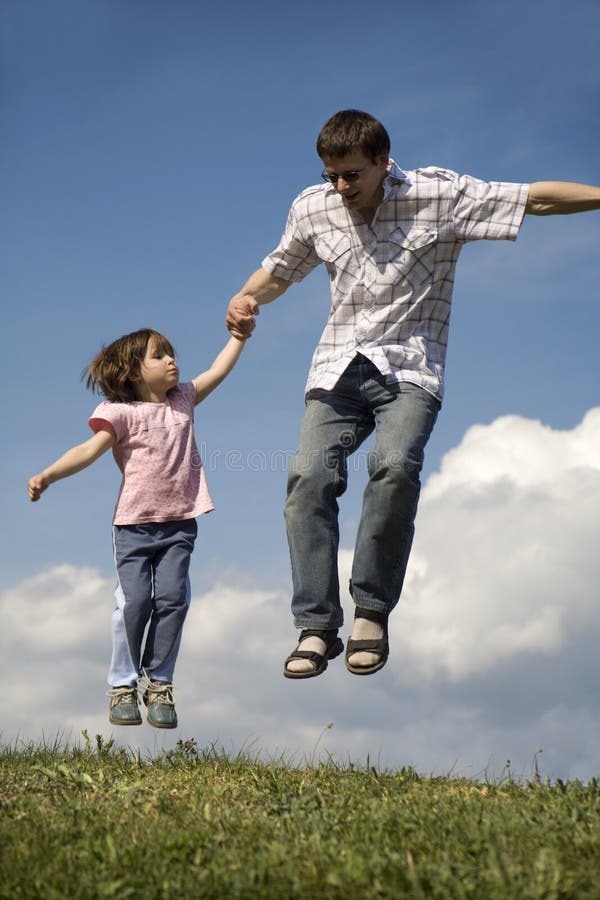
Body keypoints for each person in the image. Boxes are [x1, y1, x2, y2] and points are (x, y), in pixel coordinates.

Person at [226, 108, 600, 681]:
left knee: (394, 466)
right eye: (332, 175)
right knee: (307, 479)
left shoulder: (440, 194)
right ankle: (316, 626)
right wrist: (245, 300)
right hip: (337, 366)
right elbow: (279, 271)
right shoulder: (313, 207)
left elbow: (535, 200)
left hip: (412, 367)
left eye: (352, 175)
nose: (341, 187)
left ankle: (371, 613)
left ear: (382, 161)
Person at [28, 328, 246, 727]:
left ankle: (160, 682)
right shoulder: (120, 412)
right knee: (135, 603)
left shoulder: (183, 399)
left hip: (180, 524)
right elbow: (87, 451)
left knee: (172, 600)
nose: (171, 360)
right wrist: (48, 476)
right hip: (133, 527)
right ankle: (123, 686)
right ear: (132, 371)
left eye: (171, 353)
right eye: (158, 356)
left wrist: (239, 336)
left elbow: (218, 370)